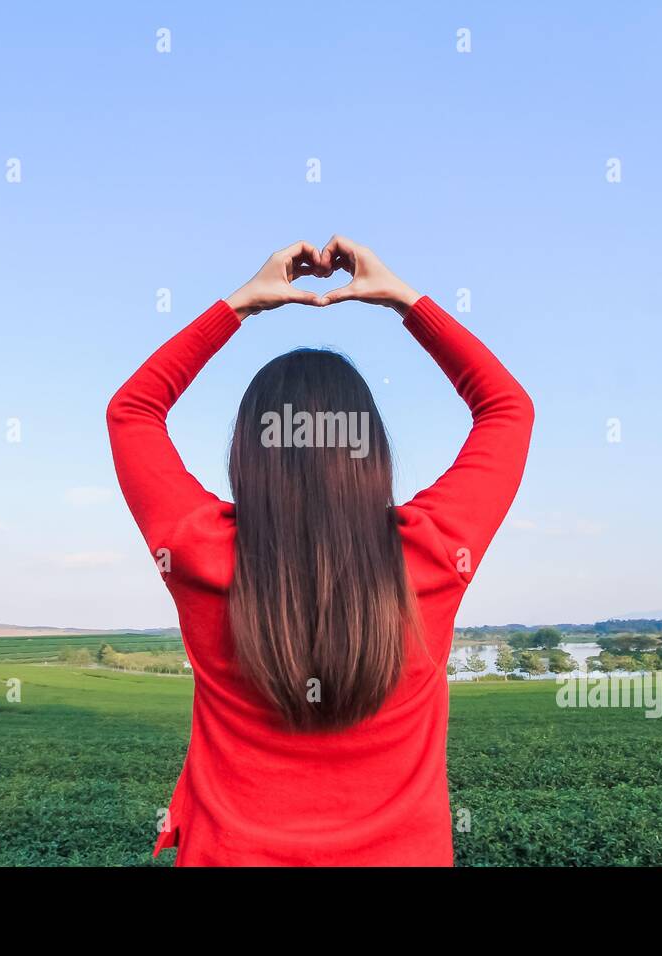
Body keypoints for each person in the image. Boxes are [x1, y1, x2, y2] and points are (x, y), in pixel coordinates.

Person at [107, 235, 533, 865]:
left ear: (249, 454)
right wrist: (404, 300)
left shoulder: (199, 553)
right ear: (371, 453)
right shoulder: (432, 556)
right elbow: (507, 409)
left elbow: (134, 411)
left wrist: (241, 304)